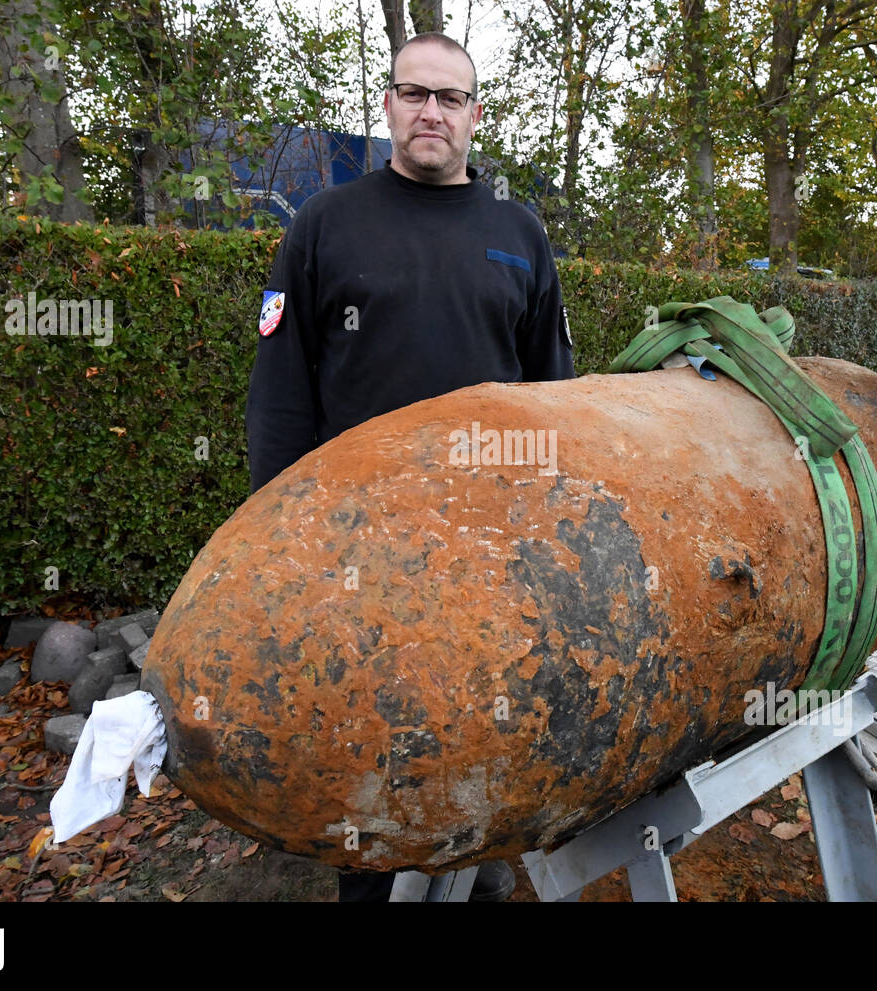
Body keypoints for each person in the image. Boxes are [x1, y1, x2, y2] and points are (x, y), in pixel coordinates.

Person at [244, 32, 576, 900]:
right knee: (375, 737)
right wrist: (280, 537)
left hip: (491, 546)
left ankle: (481, 866)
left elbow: (556, 398)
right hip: (363, 549)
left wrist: (550, 532)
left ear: (475, 115)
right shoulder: (326, 224)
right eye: (414, 93)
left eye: (451, 97)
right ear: (388, 105)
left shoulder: (519, 233)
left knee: (488, 724)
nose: (432, 111)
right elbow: (281, 396)